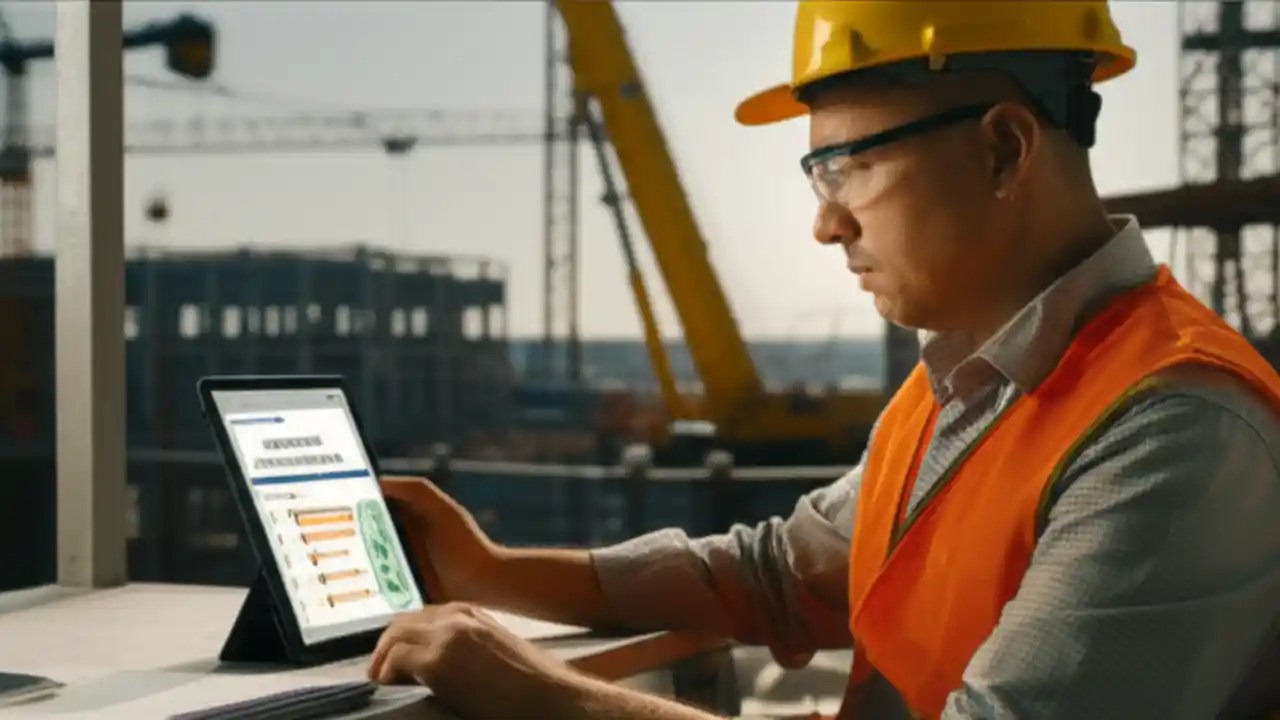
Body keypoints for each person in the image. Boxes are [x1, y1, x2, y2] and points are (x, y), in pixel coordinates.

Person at [367, 2, 1280, 718]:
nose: (825, 222)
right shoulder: (961, 392)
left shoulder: (1176, 429)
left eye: (847, 168)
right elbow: (773, 575)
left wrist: (541, 698)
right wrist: (488, 570)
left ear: (1004, 148)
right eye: (817, 177)